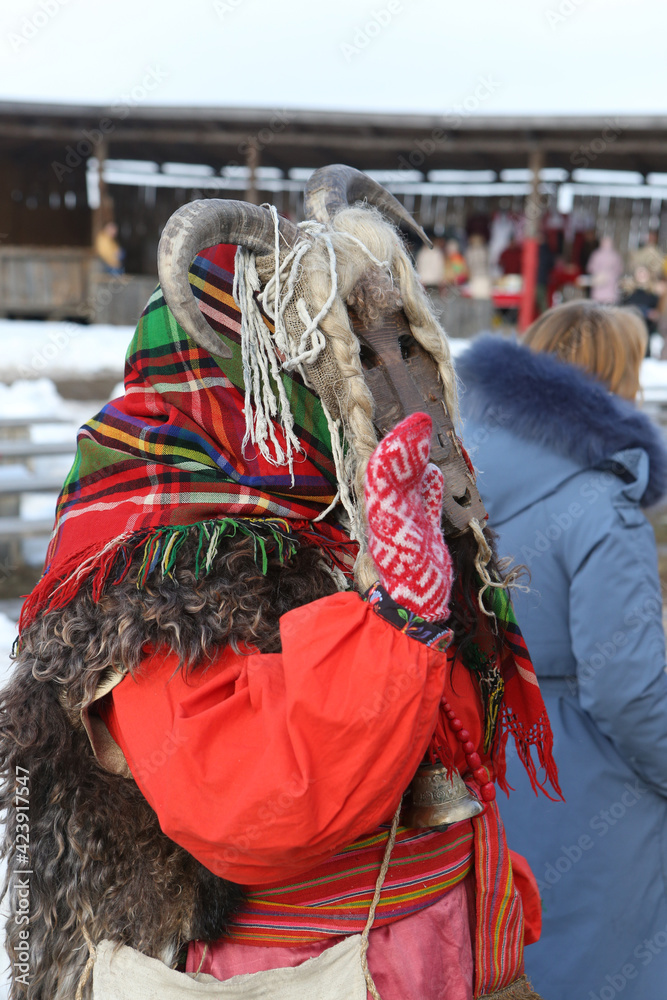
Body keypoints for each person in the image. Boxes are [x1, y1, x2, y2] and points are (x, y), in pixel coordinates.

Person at [0, 178, 559, 1000]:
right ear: (252, 375)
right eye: (354, 355)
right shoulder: (157, 555)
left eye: (402, 347)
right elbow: (246, 803)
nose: (401, 391)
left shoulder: (351, 511)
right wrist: (396, 619)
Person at [456, 301, 667, 1000]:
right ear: (615, 383)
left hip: (482, 762)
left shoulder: (456, 479)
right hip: (589, 786)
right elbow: (628, 687)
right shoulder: (600, 505)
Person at [586, 234, 624, 304]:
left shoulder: (597, 254)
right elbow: (619, 270)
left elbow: (590, 268)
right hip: (602, 284)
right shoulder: (614, 255)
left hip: (608, 285)